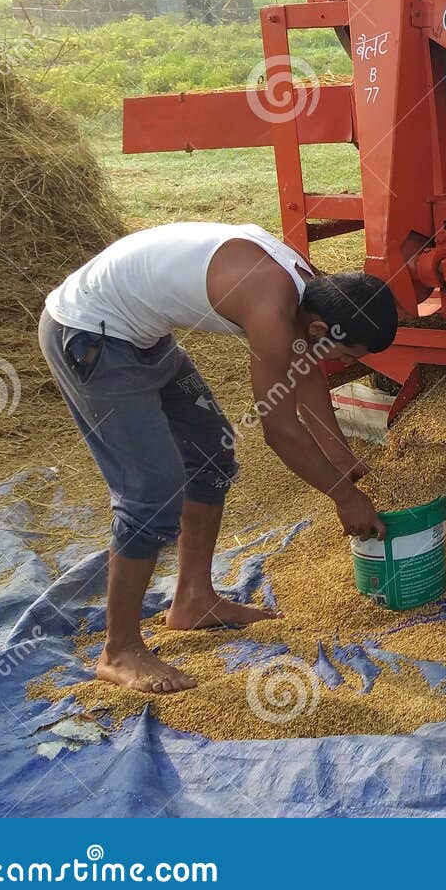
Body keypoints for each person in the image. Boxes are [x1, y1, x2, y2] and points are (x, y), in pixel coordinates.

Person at [38, 222, 399, 694]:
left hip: (142, 334)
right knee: (151, 493)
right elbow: (280, 431)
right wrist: (345, 498)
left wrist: (341, 456)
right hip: (90, 335)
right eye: (349, 355)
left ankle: (193, 600)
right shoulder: (273, 312)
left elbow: (305, 369)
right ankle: (119, 649)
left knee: (210, 454)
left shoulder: (315, 293)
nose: (346, 364)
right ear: (318, 328)